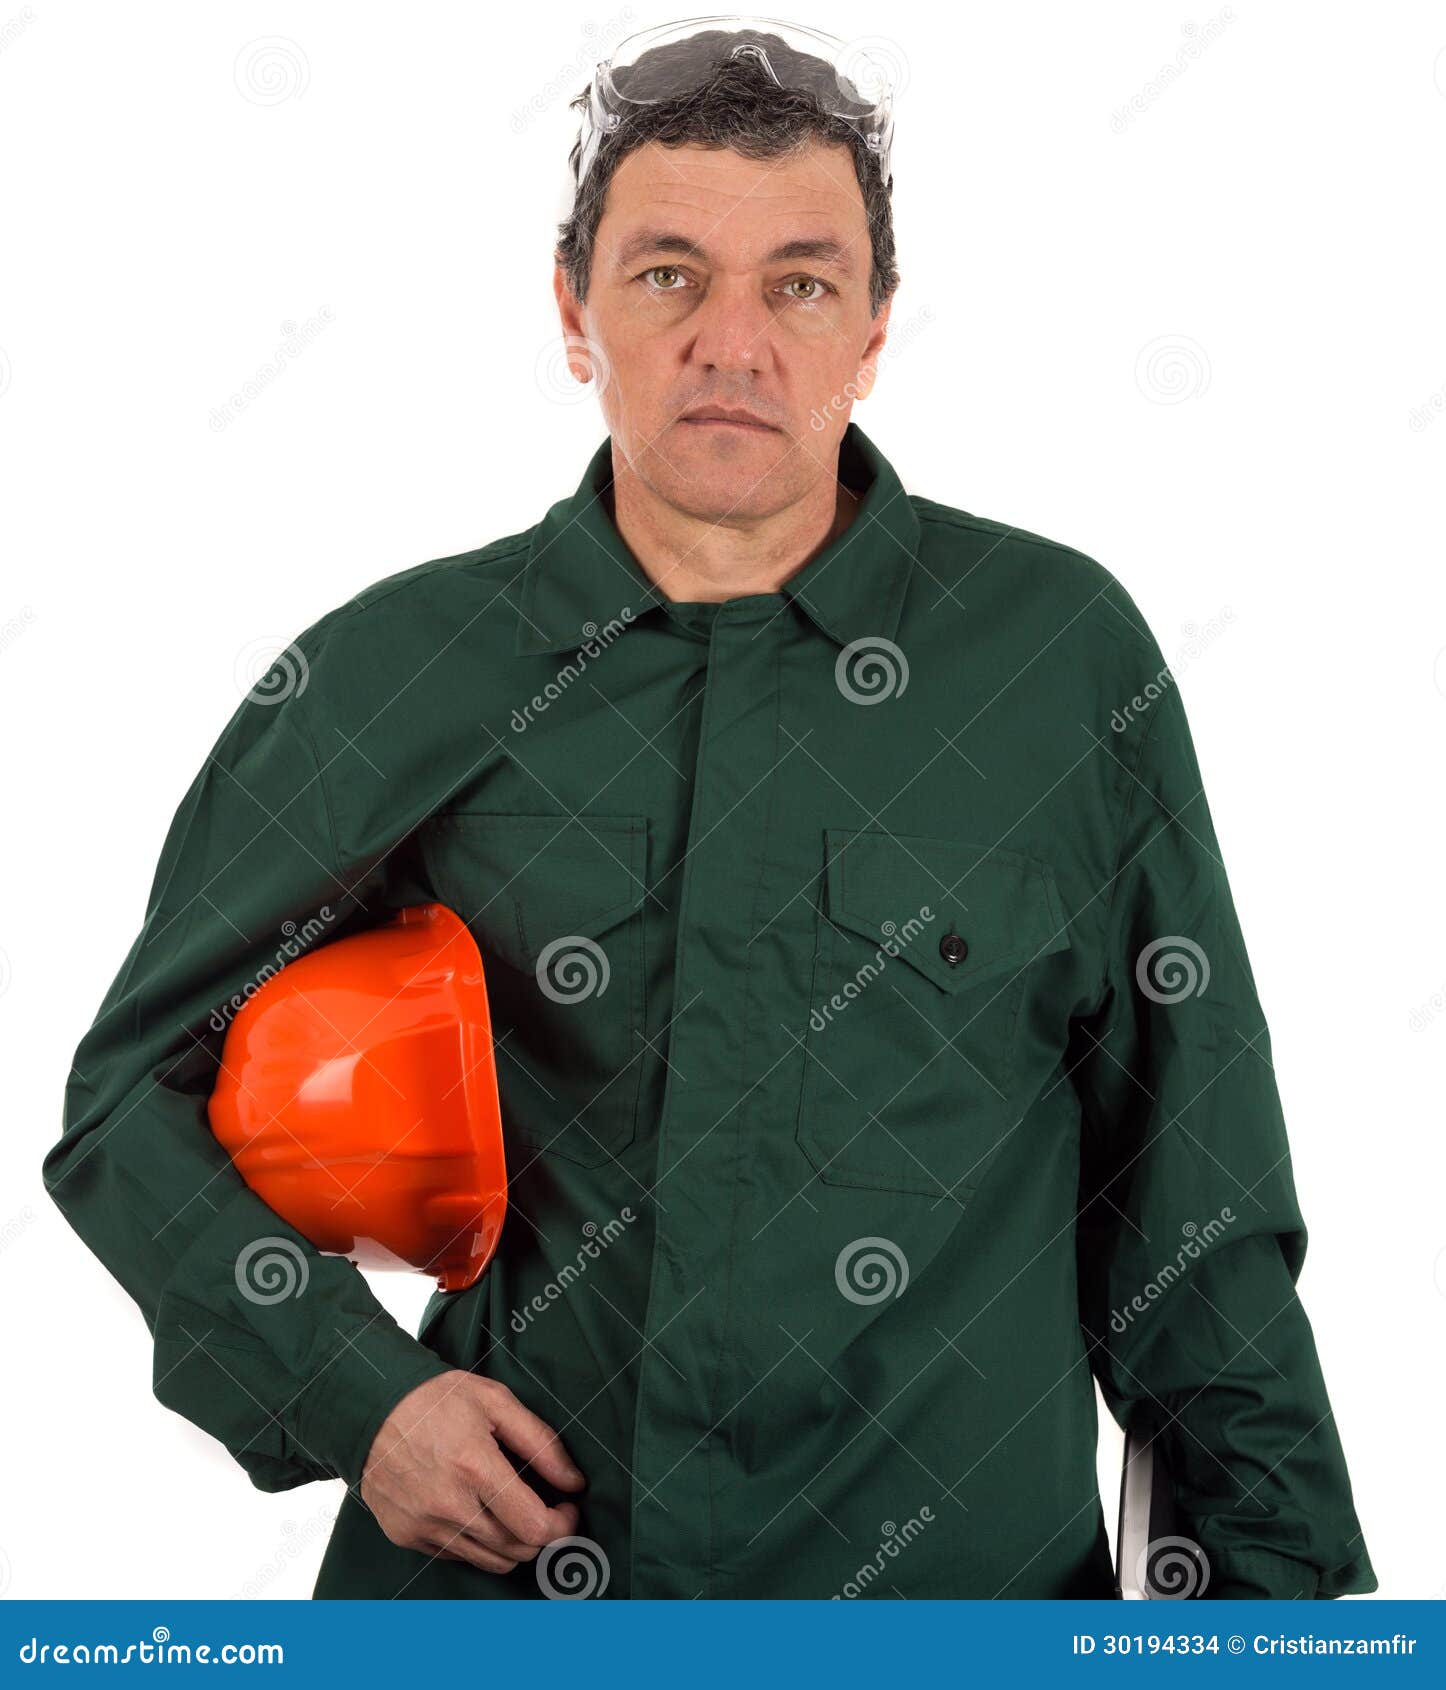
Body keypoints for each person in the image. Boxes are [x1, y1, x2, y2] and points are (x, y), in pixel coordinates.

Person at [45, 17, 1374, 1600]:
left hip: (961, 1615)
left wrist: (1278, 1612)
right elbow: (131, 1098)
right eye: (669, 273)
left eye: (799, 284)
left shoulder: (1053, 657)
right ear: (571, 308)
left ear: (874, 329)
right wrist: (359, 1395)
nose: (731, 342)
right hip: (512, 1604)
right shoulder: (397, 673)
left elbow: (1193, 1189)